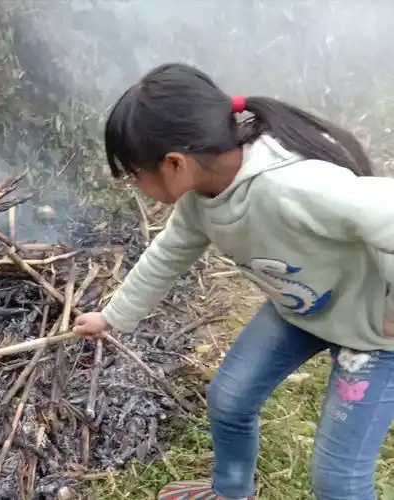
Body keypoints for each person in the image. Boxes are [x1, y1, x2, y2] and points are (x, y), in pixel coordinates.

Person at [72, 62, 394, 500]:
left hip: (373, 336)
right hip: (300, 310)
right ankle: (231, 491)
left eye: (135, 175)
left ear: (174, 163)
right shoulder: (200, 200)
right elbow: (166, 254)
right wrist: (111, 317)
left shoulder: (292, 186)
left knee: (338, 479)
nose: (134, 185)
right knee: (229, 398)